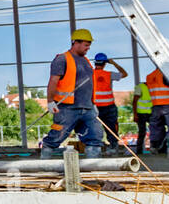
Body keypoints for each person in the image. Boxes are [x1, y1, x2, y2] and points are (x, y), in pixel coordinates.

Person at [41, 29, 103, 158]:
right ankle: (44, 162)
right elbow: (53, 81)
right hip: (67, 108)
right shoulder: (62, 59)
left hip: (88, 108)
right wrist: (50, 101)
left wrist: (93, 104)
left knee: (95, 136)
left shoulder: (86, 61)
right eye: (86, 45)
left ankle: (94, 167)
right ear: (76, 43)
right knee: (56, 137)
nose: (88, 48)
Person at [91, 52, 127, 153]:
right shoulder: (109, 75)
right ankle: (113, 146)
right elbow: (124, 74)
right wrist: (114, 63)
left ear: (95, 63)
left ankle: (96, 148)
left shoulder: (90, 74)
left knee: (95, 128)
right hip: (109, 106)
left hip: (95, 107)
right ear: (105, 63)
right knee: (112, 127)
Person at [145, 66, 169, 156]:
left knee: (155, 127)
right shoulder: (166, 75)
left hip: (155, 105)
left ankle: (154, 148)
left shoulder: (149, 76)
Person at [129, 78, 152, 153]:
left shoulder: (153, 87)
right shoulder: (140, 87)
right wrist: (135, 114)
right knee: (142, 132)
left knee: (156, 131)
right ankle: (139, 150)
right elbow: (135, 101)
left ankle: (155, 148)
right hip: (141, 113)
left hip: (151, 113)